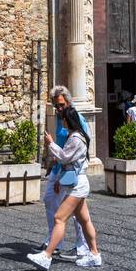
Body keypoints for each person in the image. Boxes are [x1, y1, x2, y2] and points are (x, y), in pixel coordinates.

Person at [28, 105, 102, 270]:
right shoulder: (78, 136)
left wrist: (51, 144)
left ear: (68, 120)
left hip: (76, 186)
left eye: (63, 119)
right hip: (79, 184)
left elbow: (64, 157)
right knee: (84, 220)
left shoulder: (75, 138)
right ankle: (95, 254)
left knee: (59, 218)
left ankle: (46, 256)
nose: (61, 121)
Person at [39, 86, 90, 261]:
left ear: (68, 101)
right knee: (49, 200)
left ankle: (82, 246)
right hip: (59, 166)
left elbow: (79, 149)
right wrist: (53, 160)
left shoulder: (78, 120)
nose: (59, 109)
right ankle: (55, 240)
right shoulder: (62, 119)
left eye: (61, 105)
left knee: (75, 211)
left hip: (69, 170)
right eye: (56, 106)